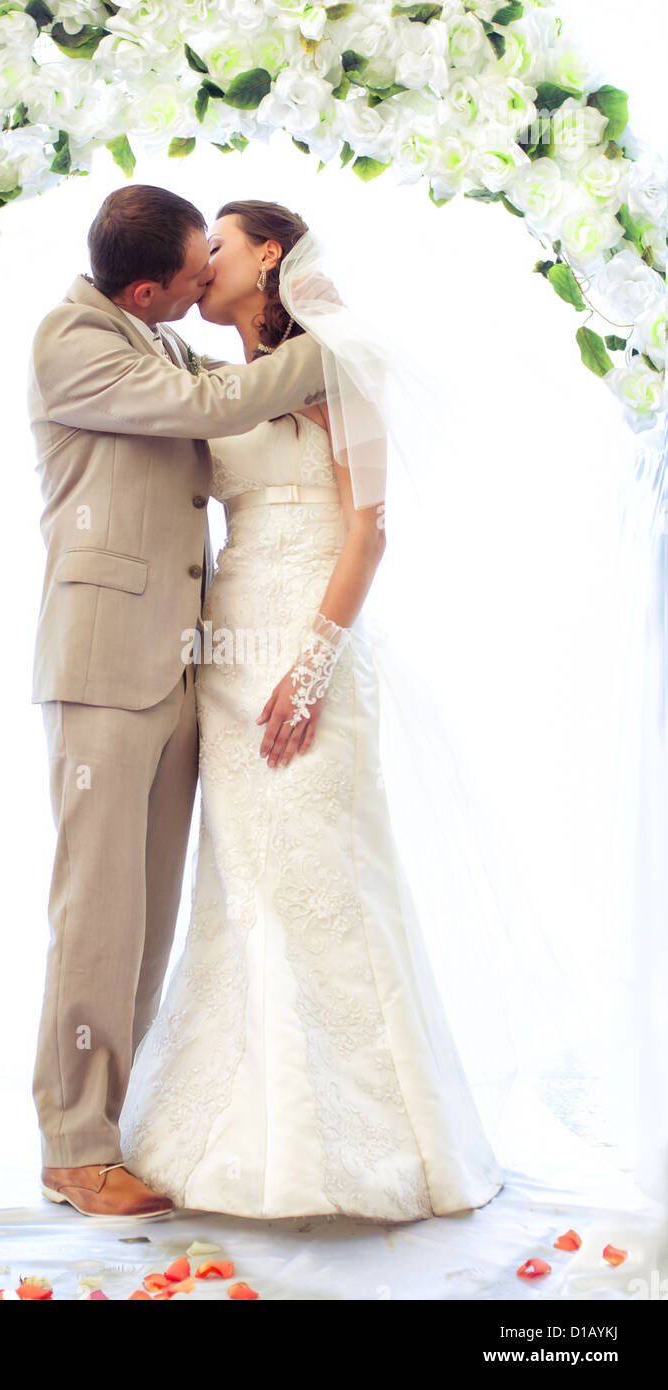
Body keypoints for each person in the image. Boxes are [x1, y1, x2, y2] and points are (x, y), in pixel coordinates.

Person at [118, 201, 505, 1220]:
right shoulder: (221, 382)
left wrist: (314, 665)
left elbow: (368, 528)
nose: (202, 261)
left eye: (219, 243)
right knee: (241, 882)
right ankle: (232, 1132)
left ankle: (371, 1144)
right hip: (229, 651)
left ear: (269, 256)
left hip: (307, 642)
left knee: (320, 874)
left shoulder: (337, 362)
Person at [26, 185, 329, 1219]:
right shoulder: (72, 340)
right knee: (96, 912)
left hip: (182, 664)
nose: (207, 281)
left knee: (147, 917)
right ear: (146, 288)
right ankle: (73, 1148)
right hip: (104, 667)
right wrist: (339, 349)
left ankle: (113, 1129)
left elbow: (231, 389)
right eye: (196, 271)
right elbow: (209, 410)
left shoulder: (158, 339)